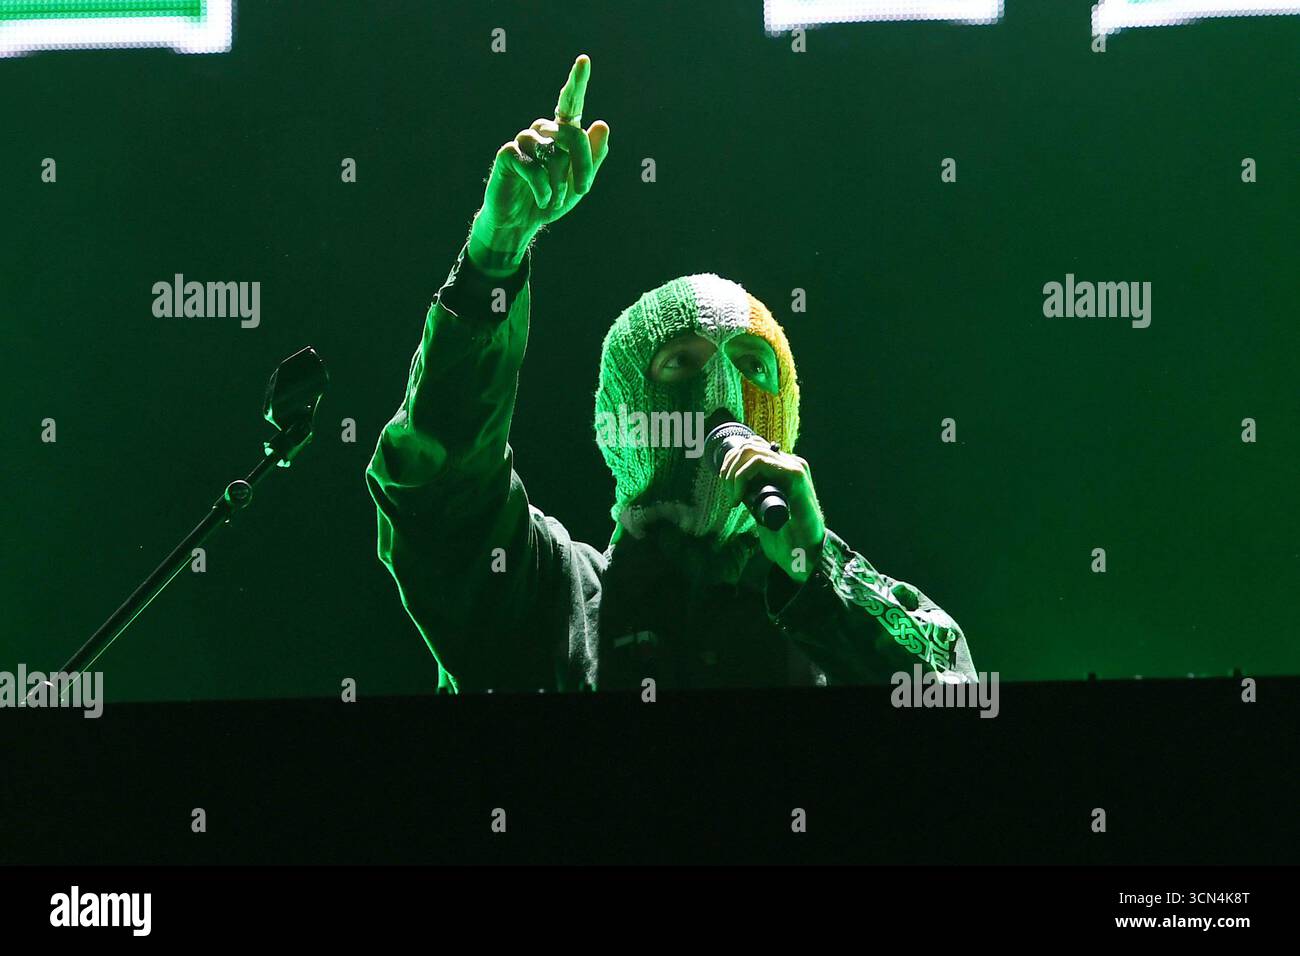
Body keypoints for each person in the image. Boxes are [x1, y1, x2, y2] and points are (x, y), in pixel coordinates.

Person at [366, 54, 975, 693]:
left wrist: (817, 576)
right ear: (621, 415)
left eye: (751, 365)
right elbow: (440, 488)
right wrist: (495, 253)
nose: (722, 398)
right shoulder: (549, 602)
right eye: (682, 361)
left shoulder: (829, 614)